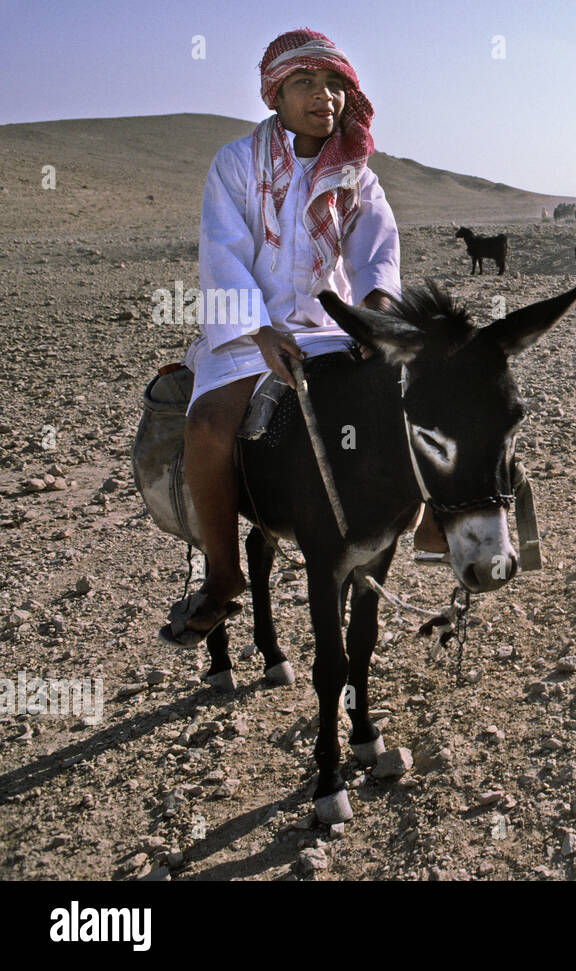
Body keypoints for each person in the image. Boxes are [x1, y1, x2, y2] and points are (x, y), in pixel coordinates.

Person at [163, 28, 419, 644]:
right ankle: (224, 576)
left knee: (415, 395)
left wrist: (376, 310)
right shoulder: (235, 164)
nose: (324, 96)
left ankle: (434, 522)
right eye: (306, 82)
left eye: (335, 84)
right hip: (250, 331)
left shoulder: (357, 174)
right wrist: (259, 331)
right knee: (206, 425)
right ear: (275, 94)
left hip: (332, 327)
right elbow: (223, 252)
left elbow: (375, 255)